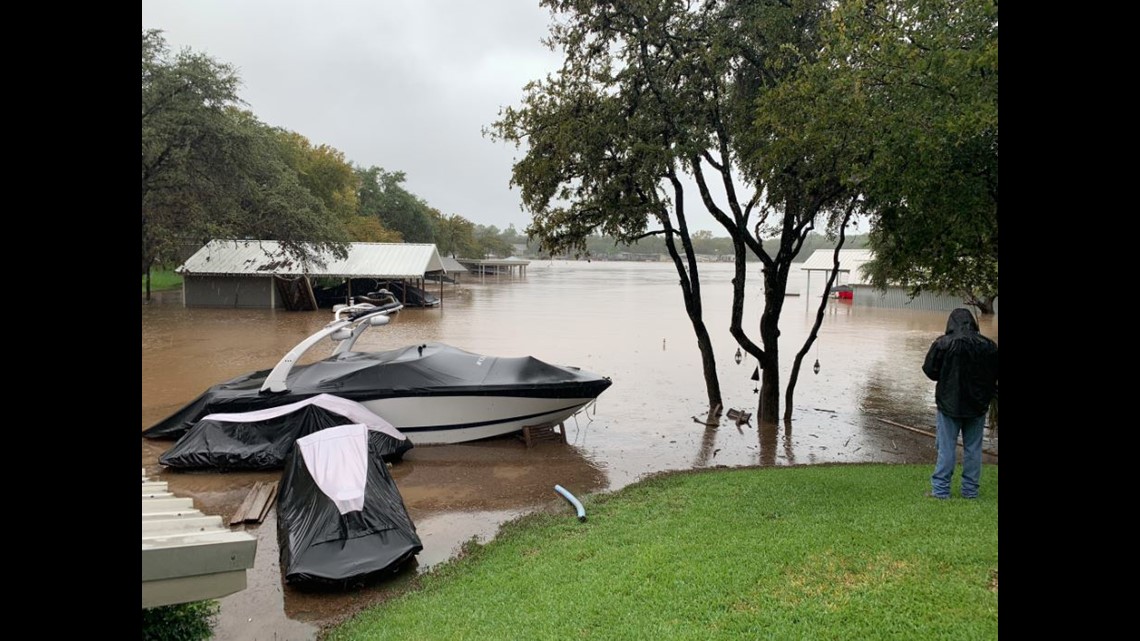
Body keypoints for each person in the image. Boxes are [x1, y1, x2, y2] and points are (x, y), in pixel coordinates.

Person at [922, 308, 999, 499]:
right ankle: (970, 491)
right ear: (973, 323)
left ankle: (940, 491)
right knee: (973, 449)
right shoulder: (988, 346)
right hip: (977, 406)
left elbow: (930, 371)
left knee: (946, 447)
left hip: (949, 404)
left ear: (950, 324)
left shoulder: (942, 344)